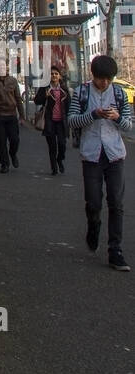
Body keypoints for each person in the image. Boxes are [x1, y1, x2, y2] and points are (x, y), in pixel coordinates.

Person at [68, 55, 133, 271]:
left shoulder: (119, 93)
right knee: (94, 201)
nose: (104, 83)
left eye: (108, 79)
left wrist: (116, 118)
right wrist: (93, 115)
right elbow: (72, 120)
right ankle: (93, 225)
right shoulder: (82, 92)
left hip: (114, 154)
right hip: (92, 154)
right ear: (92, 75)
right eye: (100, 79)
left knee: (116, 203)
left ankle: (115, 250)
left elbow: (129, 126)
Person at [0, 69, 27, 172]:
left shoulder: (13, 81)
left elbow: (18, 98)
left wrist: (22, 116)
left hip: (11, 115)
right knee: (1, 141)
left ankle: (12, 154)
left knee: (15, 140)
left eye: (4, 66)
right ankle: (4, 164)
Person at [33, 65, 70, 174]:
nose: (54, 76)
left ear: (60, 76)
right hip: (49, 121)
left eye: (56, 74)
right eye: (52, 74)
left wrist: (70, 119)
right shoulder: (45, 88)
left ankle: (60, 159)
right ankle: (54, 168)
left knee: (62, 144)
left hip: (61, 121)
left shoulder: (64, 88)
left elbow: (69, 105)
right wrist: (45, 96)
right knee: (52, 146)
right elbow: (36, 101)